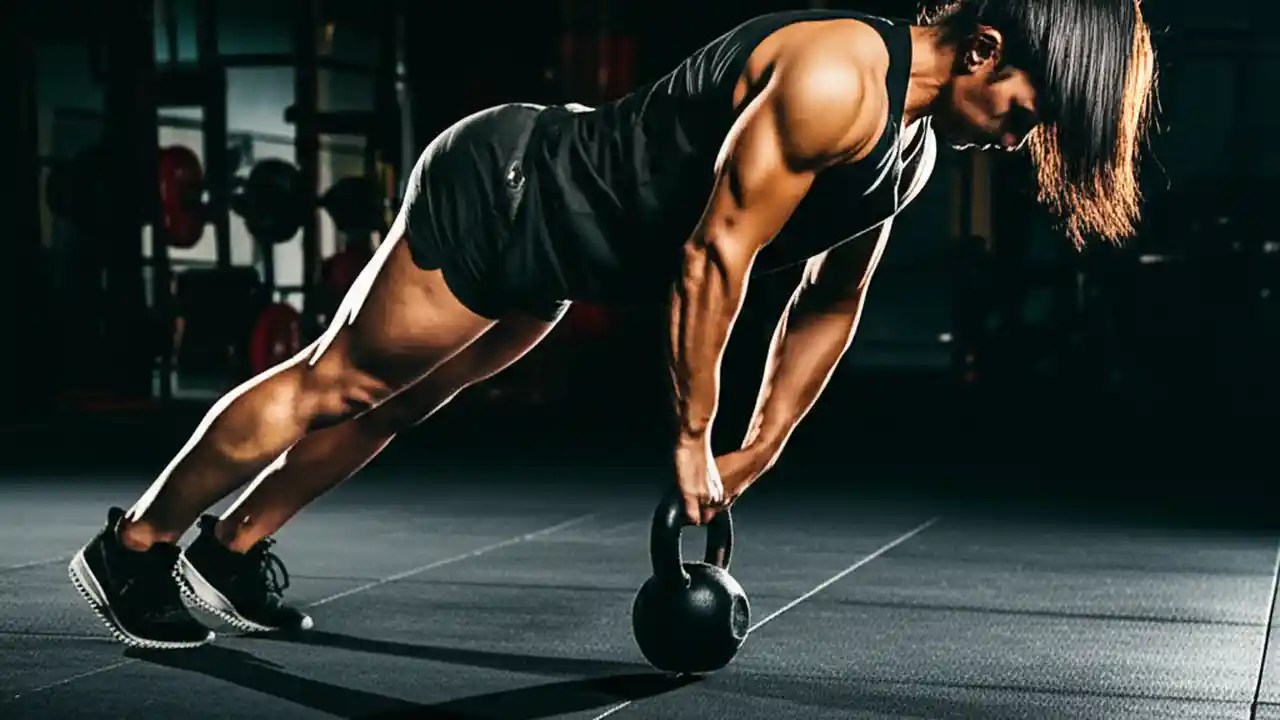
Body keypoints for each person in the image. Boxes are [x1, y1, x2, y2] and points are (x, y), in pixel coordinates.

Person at [69, 1, 1157, 649]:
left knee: (400, 404)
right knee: (338, 380)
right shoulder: (834, 77)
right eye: (1026, 113)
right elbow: (713, 256)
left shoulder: (907, 154)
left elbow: (829, 299)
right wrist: (691, 439)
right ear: (981, 49)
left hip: (566, 252)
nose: (1018, 140)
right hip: (513, 191)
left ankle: (232, 549)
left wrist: (762, 444)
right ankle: (134, 550)